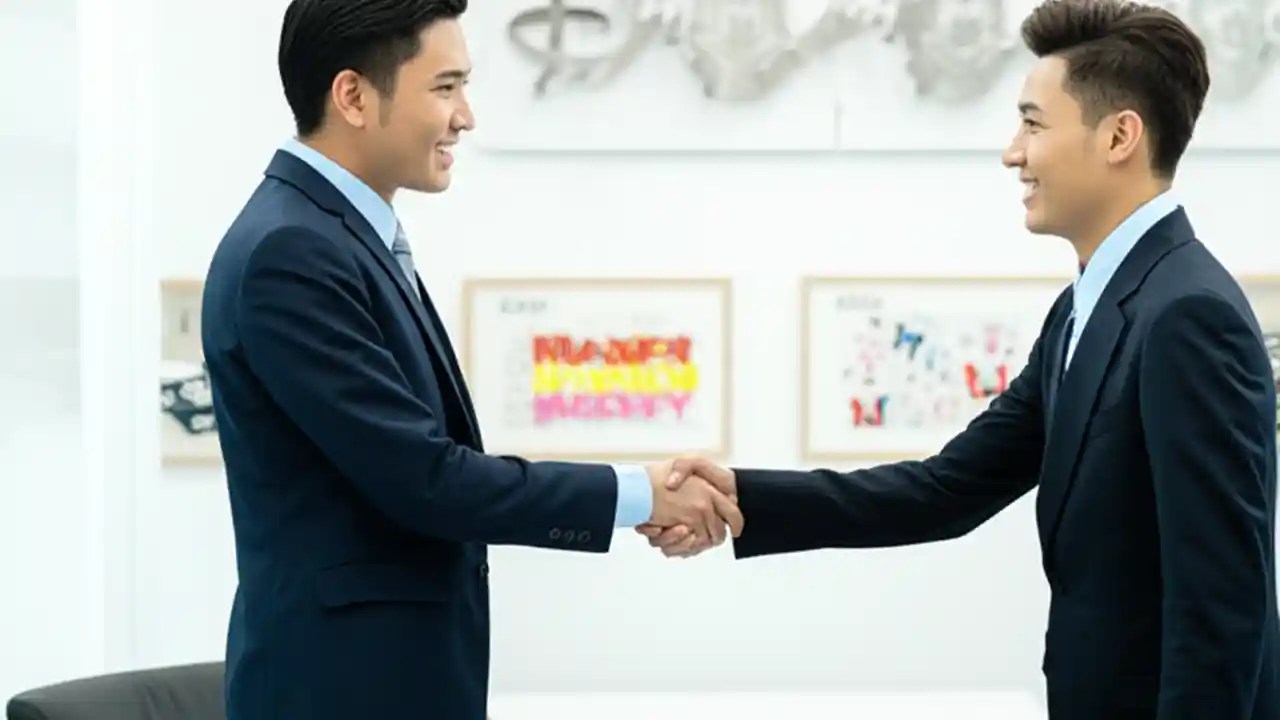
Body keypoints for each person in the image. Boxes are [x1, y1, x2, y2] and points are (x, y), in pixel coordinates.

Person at [642, 1, 1279, 718]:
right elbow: (946, 490)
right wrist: (740, 497)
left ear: (1119, 136)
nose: (1013, 152)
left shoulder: (1187, 317)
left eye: (1033, 124)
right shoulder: (1085, 311)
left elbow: (1222, 605)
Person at [200, 1, 742, 718]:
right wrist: (638, 493)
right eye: (445, 87)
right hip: (342, 693)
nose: (467, 117)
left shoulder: (332, 236)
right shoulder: (292, 253)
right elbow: (425, 479)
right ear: (354, 96)